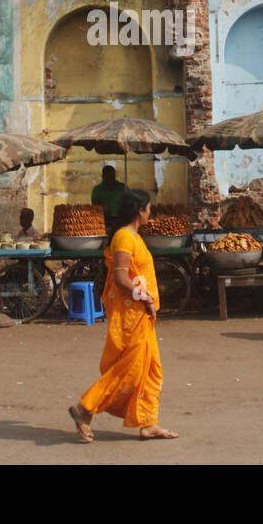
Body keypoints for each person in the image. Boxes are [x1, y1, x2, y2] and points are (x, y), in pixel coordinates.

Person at [69, 188, 177, 442]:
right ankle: (84, 409)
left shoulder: (132, 236)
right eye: (149, 207)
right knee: (129, 370)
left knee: (151, 370)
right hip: (131, 313)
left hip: (141, 314)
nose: (151, 212)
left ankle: (147, 422)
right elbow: (120, 277)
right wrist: (146, 297)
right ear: (140, 211)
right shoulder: (124, 238)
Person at [90, 165, 128, 231]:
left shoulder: (123, 188)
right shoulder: (97, 189)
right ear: (103, 176)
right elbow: (94, 205)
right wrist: (102, 207)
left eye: (112, 175)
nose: (110, 178)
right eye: (108, 175)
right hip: (104, 219)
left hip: (121, 218)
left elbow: (130, 202)